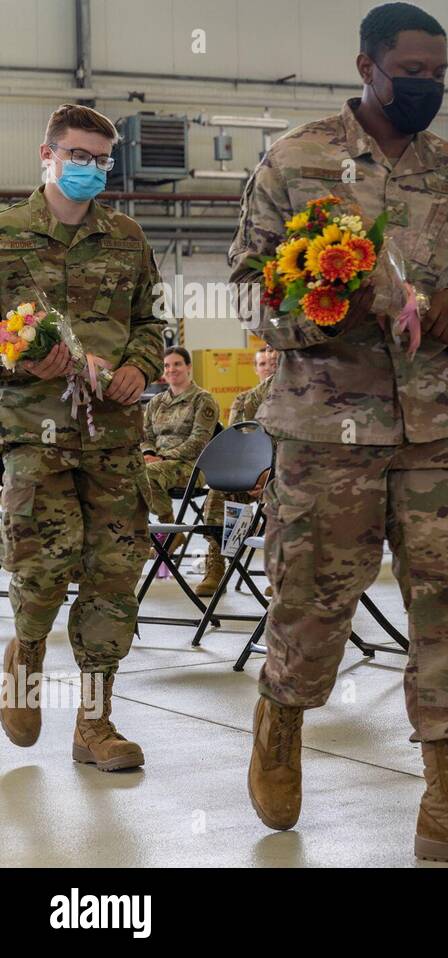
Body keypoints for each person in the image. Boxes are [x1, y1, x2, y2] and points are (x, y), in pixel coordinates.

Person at [230, 2, 448, 865]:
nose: (428, 86)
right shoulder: (296, 159)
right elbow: (247, 284)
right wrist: (314, 315)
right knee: (311, 599)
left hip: (441, 426)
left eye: (439, 73)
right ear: (367, 66)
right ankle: (281, 717)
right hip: (326, 426)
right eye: (412, 71)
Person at [0, 103, 164, 769]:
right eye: (77, 156)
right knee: (44, 567)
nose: (89, 168)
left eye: (100, 158)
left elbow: (153, 323)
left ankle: (95, 724)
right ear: (48, 155)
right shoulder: (7, 235)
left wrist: (139, 369)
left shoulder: (128, 238)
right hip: (34, 430)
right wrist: (16, 356)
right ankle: (25, 658)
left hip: (114, 436)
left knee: (113, 576)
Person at [195, 345, 279, 597]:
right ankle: (217, 563)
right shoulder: (245, 400)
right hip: (253, 474)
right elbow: (237, 445)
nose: (270, 365)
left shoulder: (296, 394)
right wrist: (254, 473)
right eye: (263, 362)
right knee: (221, 491)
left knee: (284, 496)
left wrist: (270, 473)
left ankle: (283, 571)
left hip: (285, 472)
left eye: (274, 360)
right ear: (255, 368)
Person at [141, 347, 220, 525]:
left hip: (191, 467)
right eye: (167, 366)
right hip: (158, 462)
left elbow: (198, 442)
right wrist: (148, 454)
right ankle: (147, 534)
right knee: (124, 473)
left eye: (177, 364)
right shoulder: (156, 402)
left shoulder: (203, 400)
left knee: (145, 474)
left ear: (188, 367)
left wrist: (162, 457)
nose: (171, 369)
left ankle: (167, 526)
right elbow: (146, 436)